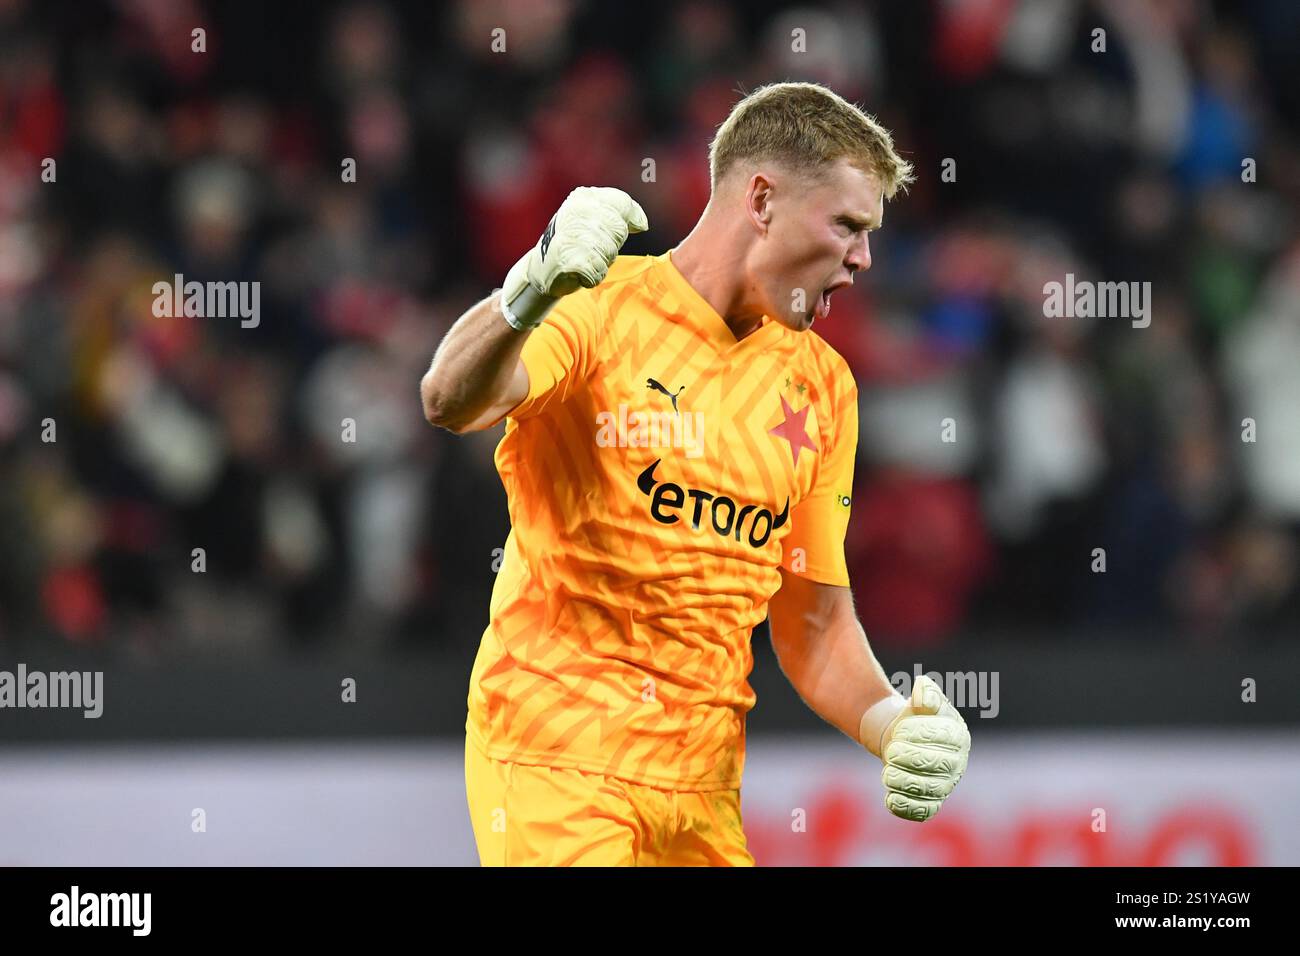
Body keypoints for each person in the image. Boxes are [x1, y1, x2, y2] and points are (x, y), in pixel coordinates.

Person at [421, 81, 971, 866]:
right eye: (848, 225)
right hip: (556, 762)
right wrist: (531, 286)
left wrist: (891, 722)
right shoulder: (595, 306)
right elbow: (449, 398)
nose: (863, 258)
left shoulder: (823, 388)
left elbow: (813, 627)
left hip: (703, 793)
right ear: (761, 199)